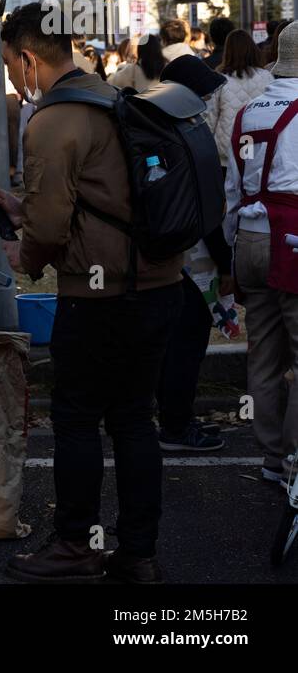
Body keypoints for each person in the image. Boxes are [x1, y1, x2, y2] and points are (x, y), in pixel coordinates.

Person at [0, 2, 184, 584]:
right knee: (133, 420)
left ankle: (74, 546)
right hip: (157, 287)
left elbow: (50, 232)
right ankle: (137, 555)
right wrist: (23, 207)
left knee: (76, 419)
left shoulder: (52, 121)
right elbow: (103, 202)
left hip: (98, 299)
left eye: (9, 64)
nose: (14, 78)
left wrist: (23, 254)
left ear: (27, 57)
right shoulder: (114, 100)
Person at [225, 20, 298, 485]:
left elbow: (232, 188)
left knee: (265, 353)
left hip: (250, 238)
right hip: (292, 238)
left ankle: (272, 455)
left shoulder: (251, 108)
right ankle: (294, 458)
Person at [156, 56, 230, 453]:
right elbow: (208, 214)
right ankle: (176, 428)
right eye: (202, 91)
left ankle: (174, 419)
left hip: (168, 255)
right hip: (192, 261)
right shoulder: (188, 133)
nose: (207, 97)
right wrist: (227, 263)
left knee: (173, 345)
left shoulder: (162, 127)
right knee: (186, 347)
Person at [208, 29, 273, 169]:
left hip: (227, 146)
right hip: (258, 141)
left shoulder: (220, 79)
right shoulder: (266, 77)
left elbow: (211, 115)